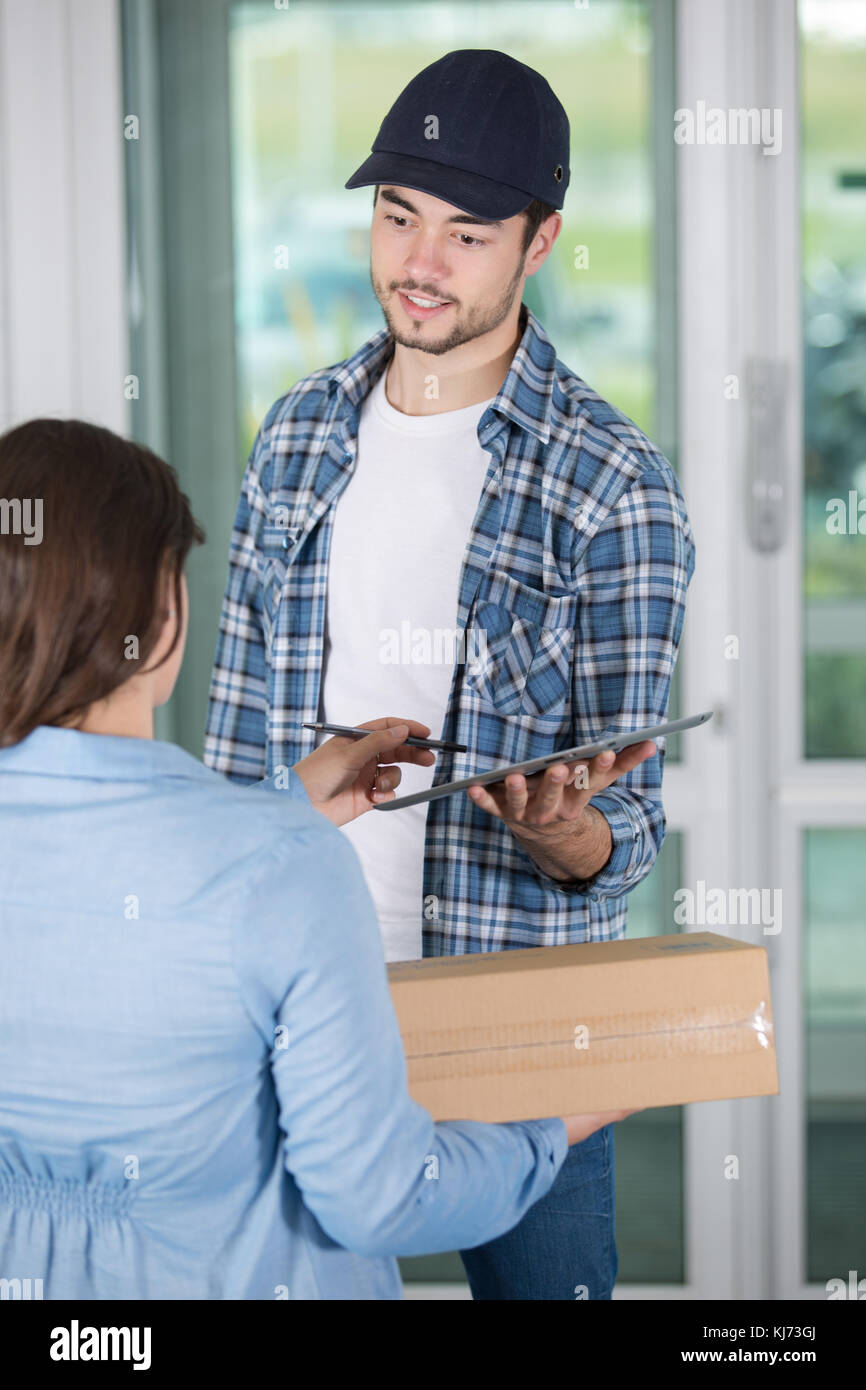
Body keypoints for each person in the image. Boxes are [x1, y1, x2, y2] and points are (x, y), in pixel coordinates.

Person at [204, 49, 695, 1299]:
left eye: (466, 233)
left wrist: (564, 829)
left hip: (515, 1026)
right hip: (301, 1002)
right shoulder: (300, 434)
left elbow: (625, 833)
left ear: (539, 243)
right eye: (396, 216)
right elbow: (231, 744)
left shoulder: (611, 486)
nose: (416, 263)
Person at [0, 416, 632, 1301]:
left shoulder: (268, 851)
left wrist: (283, 807)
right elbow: (376, 1199)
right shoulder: (284, 868)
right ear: (160, 612)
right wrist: (550, 1129)